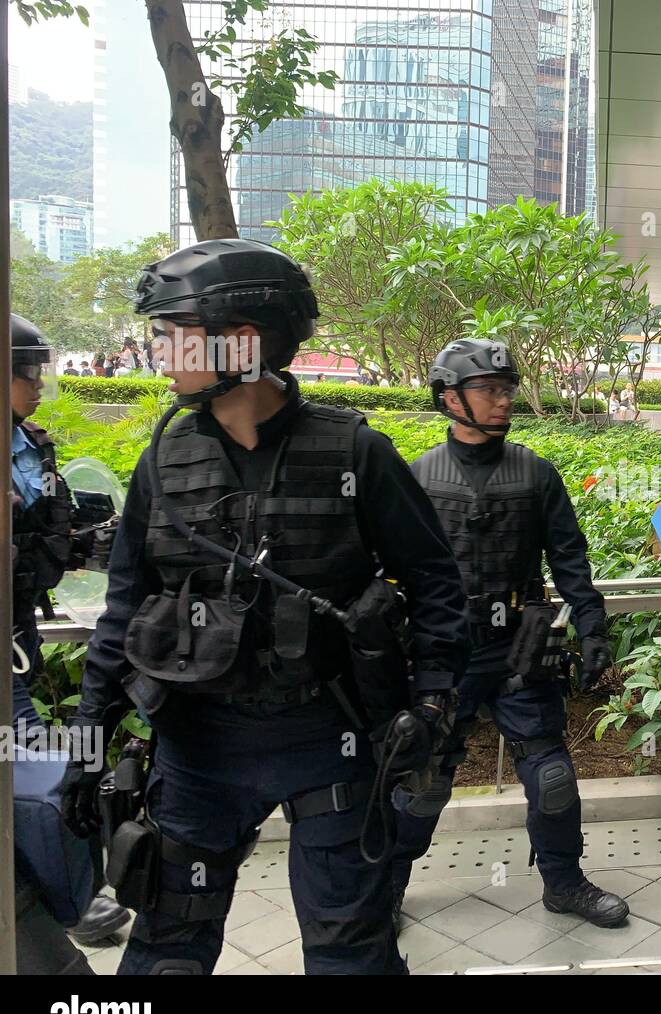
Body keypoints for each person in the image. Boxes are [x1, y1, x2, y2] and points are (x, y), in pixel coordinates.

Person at [57, 239, 472, 974]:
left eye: (172, 332)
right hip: (197, 749)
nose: (158, 350)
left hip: (330, 740)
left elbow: (437, 582)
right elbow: (126, 605)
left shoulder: (356, 453)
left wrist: (434, 708)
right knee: (166, 948)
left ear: (244, 343)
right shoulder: (163, 459)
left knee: (352, 949)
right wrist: (87, 746)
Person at [395, 339, 629, 928]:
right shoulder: (418, 476)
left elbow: (570, 559)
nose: (503, 402)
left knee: (551, 776)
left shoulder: (536, 474)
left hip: (521, 646)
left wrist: (592, 629)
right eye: (489, 391)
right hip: (446, 653)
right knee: (422, 780)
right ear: (450, 398)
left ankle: (564, 884)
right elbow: (393, 568)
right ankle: (382, 892)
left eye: (507, 390)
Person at [10, 314, 128, 970]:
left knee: (39, 771)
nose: (37, 384)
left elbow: (45, 536)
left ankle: (66, 897)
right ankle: (62, 904)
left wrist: (92, 541)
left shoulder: (33, 446)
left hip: (18, 639)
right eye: (25, 371)